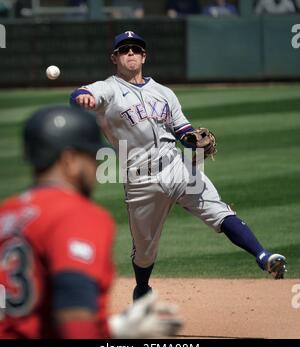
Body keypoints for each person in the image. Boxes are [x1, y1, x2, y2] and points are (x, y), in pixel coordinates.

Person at [70, 31, 287, 301]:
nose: (130, 54)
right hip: (141, 180)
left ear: (144, 56)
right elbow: (83, 93)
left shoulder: (164, 92)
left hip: (177, 166)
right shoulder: (109, 89)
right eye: (124, 50)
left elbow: (182, 130)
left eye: (136, 49)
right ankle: (142, 288)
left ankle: (263, 256)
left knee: (217, 210)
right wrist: (82, 97)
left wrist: (193, 140)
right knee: (145, 250)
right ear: (114, 57)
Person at [0, 105, 182, 338]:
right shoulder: (76, 214)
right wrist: (117, 335)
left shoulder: (7, 212)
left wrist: (114, 328)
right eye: (92, 157)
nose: (97, 168)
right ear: (70, 160)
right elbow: (75, 318)